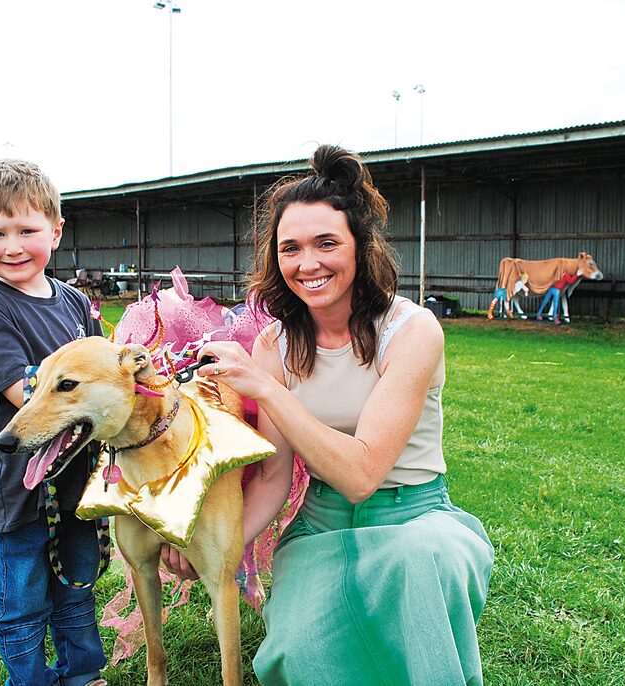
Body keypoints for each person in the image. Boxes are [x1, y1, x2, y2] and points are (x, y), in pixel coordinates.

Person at [163, 145, 494, 685]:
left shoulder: (412, 331)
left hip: (415, 519)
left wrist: (267, 392)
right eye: (289, 248)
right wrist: (212, 550)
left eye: (326, 244)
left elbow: (363, 475)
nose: (307, 263)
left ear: (361, 248)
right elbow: (273, 478)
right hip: (321, 524)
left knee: (417, 562)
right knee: (294, 655)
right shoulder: (276, 343)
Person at [0, 159, 107, 686]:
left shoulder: (73, 303)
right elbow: (27, 393)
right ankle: (29, 680)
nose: (14, 246)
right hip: (20, 490)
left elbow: (105, 368)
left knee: (76, 588)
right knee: (23, 600)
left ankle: (83, 674)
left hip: (78, 484)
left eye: (27, 230)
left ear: (56, 230)